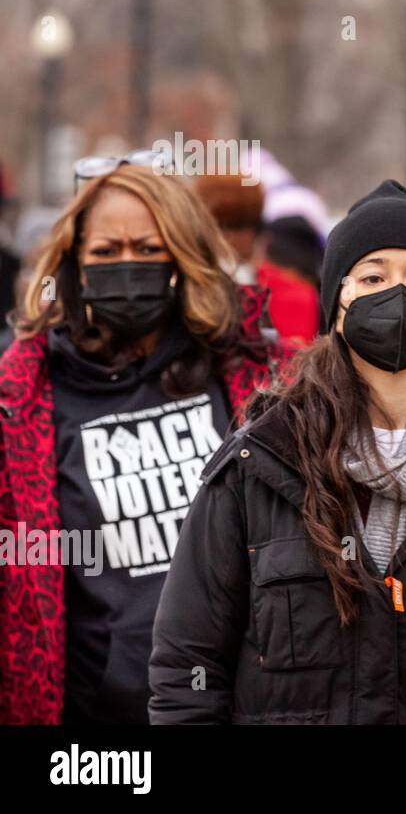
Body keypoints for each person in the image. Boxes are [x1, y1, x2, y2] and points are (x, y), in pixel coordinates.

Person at [149, 181, 406, 724]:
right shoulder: (262, 461)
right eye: (372, 277)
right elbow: (188, 666)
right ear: (336, 309)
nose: (398, 293)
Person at [0, 162, 277, 725]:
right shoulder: (24, 396)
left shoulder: (248, 370)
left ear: (180, 253)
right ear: (74, 263)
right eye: (105, 251)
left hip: (235, 704)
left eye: (148, 248)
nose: (127, 264)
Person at [193, 172, 319, 349]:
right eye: (218, 227)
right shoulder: (189, 291)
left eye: (238, 225)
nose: (227, 238)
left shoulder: (294, 294)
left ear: (256, 230)